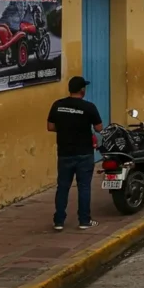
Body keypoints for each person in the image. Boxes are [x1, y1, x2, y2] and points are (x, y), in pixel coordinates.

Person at [47, 76, 104, 231]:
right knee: (84, 187)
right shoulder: (89, 107)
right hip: (84, 153)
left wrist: (65, 129)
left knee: (63, 187)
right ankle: (84, 221)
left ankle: (59, 221)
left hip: (64, 153)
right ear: (82, 90)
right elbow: (99, 128)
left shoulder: (57, 105)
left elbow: (50, 127)